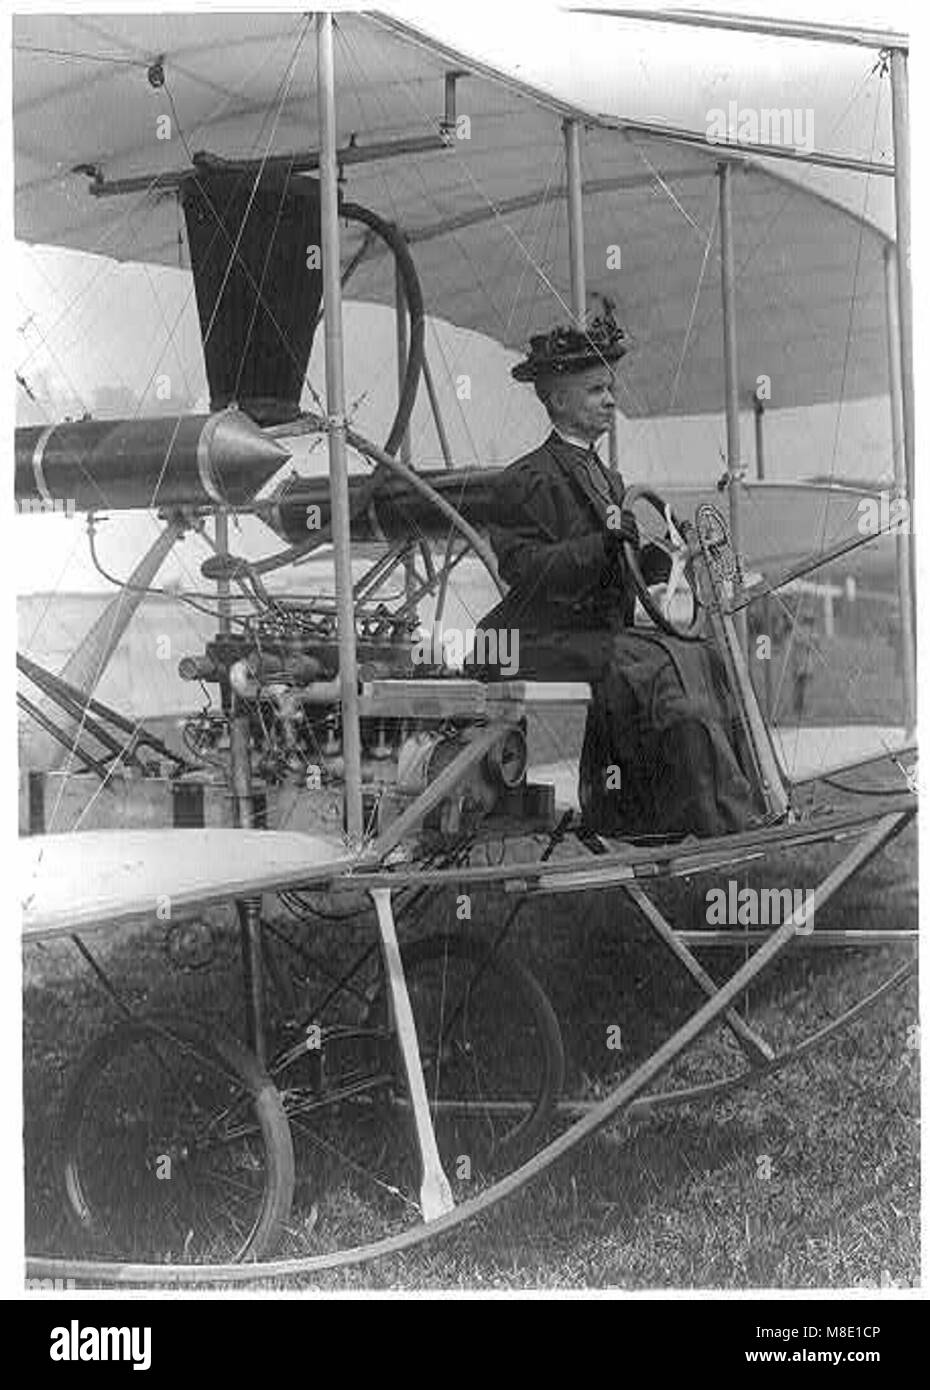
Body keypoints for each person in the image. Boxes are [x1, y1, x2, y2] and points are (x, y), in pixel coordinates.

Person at [469, 305, 762, 839]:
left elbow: (622, 561)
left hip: (593, 635)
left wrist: (667, 556)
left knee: (701, 654)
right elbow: (523, 571)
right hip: (528, 637)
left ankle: (737, 808)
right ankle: (680, 816)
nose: (611, 400)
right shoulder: (523, 480)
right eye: (596, 390)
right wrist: (600, 544)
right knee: (657, 664)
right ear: (559, 401)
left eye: (610, 389)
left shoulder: (611, 479)